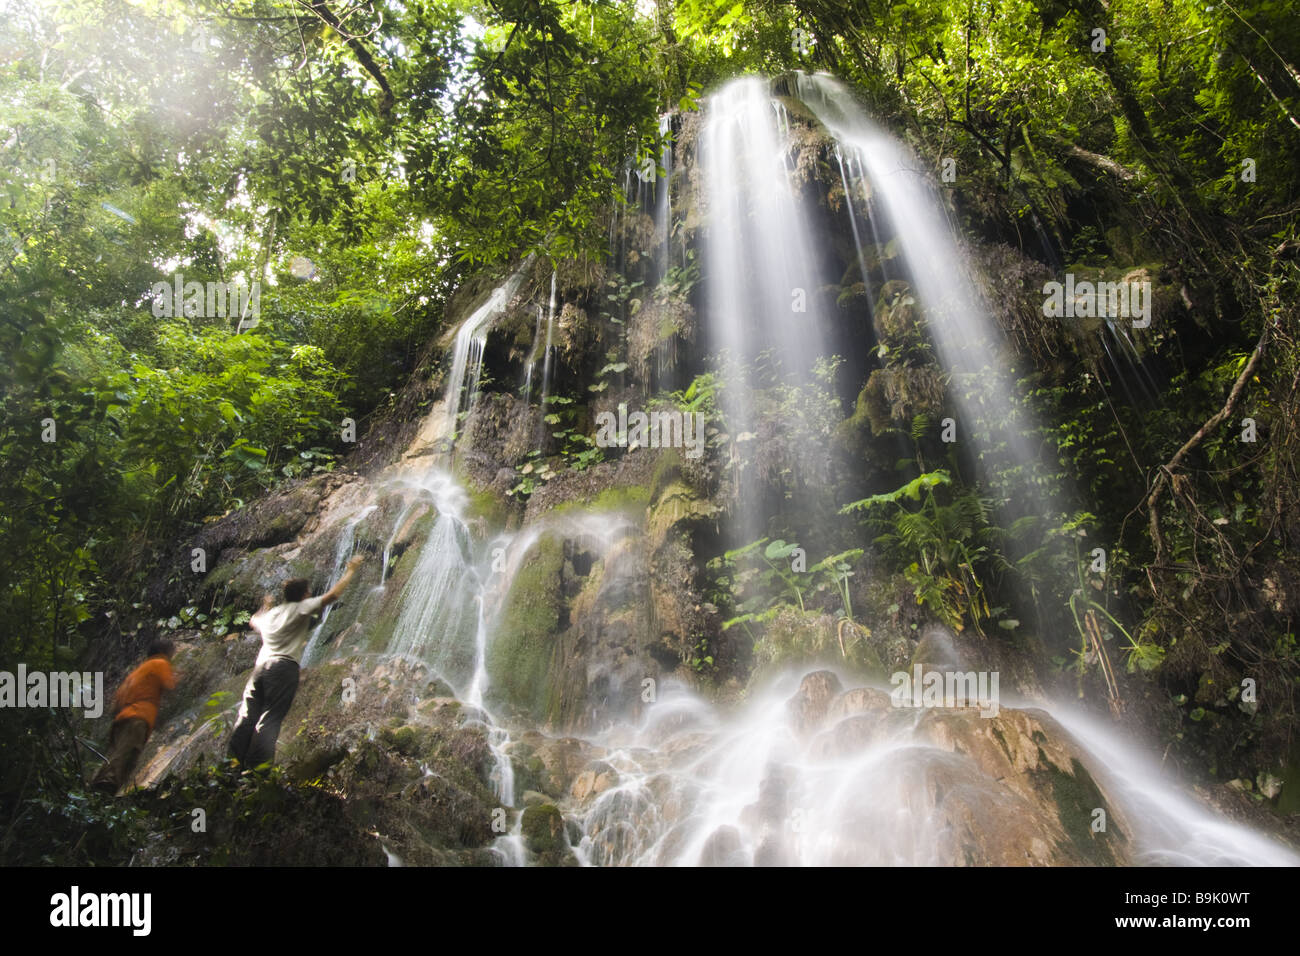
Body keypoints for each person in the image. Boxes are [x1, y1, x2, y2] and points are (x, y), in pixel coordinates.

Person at [227, 555, 364, 769]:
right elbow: (334, 594)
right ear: (304, 595)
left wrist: (265, 605)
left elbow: (253, 620)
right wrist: (352, 570)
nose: (310, 594)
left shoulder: (272, 614)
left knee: (246, 715)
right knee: (270, 718)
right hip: (283, 668)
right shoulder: (300, 608)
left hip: (260, 669)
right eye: (308, 592)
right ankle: (256, 771)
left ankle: (232, 762)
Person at [92, 638, 177, 794]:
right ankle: (104, 789)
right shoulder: (161, 663)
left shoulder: (139, 670)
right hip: (139, 717)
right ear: (166, 651)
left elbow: (116, 701)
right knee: (126, 755)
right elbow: (170, 686)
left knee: (116, 754)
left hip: (123, 717)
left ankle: (98, 788)